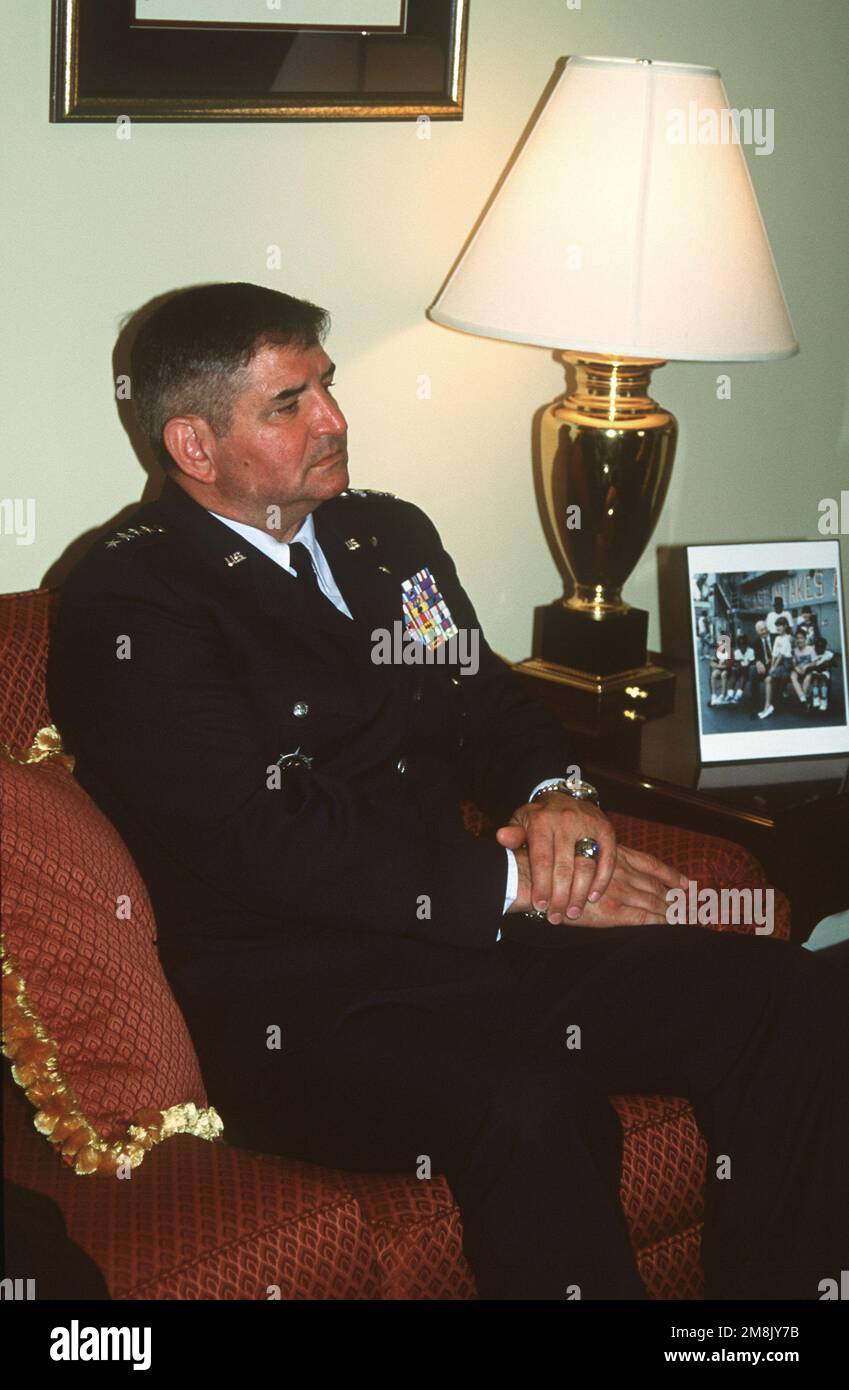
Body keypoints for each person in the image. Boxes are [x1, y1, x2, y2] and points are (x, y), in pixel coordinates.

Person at [46, 282, 849, 1302]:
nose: (334, 419)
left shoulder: (386, 538)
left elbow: (486, 698)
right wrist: (518, 881)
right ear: (194, 447)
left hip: (478, 942)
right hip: (293, 1002)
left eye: (326, 387)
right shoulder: (132, 600)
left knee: (785, 997)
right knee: (534, 1101)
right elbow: (262, 836)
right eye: (289, 403)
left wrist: (558, 795)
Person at [758, 616, 794, 719]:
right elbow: (774, 654)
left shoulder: (787, 638)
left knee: (768, 679)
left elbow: (781, 655)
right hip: (779, 663)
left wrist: (774, 667)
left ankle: (767, 707)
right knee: (768, 680)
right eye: (777, 626)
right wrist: (771, 666)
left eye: (780, 625)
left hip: (786, 664)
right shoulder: (777, 638)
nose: (778, 628)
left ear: (786, 626)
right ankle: (768, 706)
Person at [790, 628, 816, 706]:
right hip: (798, 670)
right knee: (792, 675)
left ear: (805, 639)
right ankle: (802, 696)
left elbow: (814, 662)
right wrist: (796, 668)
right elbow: (793, 663)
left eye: (801, 638)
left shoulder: (810, 649)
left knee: (808, 677)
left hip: (808, 670)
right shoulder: (795, 650)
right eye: (797, 638)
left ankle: (803, 697)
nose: (799, 640)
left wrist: (807, 666)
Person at [728, 631, 755, 703]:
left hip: (747, 671)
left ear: (746, 644)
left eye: (744, 644)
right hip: (739, 670)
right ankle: (730, 694)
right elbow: (737, 663)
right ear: (738, 645)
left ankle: (738, 695)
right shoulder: (736, 652)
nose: (742, 646)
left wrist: (744, 665)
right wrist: (738, 666)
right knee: (734, 673)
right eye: (740, 644)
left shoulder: (751, 651)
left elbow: (751, 662)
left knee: (743, 675)